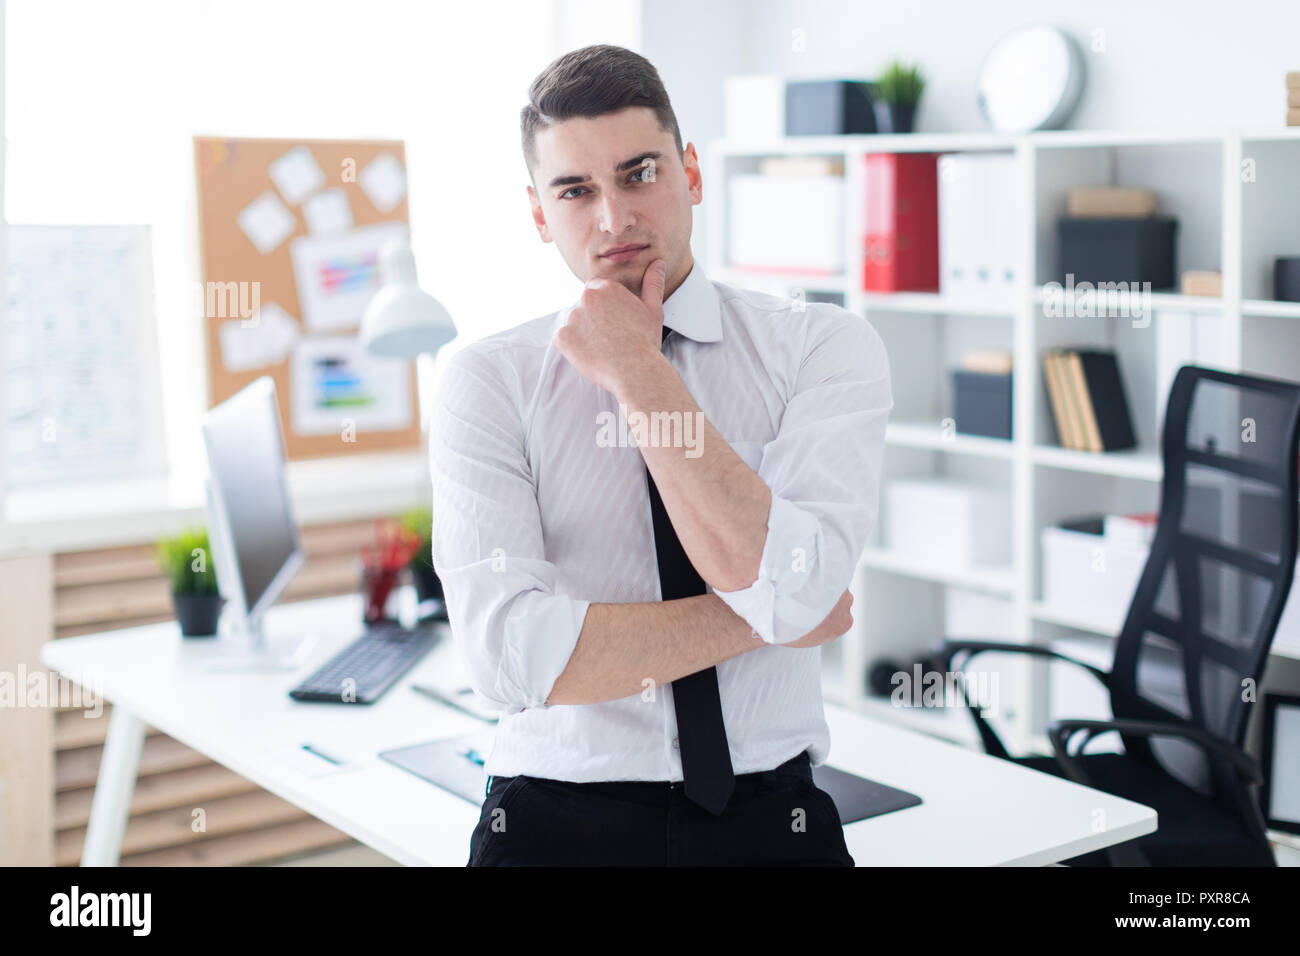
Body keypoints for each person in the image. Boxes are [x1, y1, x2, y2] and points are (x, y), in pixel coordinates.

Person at [429, 44, 892, 866]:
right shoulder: (487, 381)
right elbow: (508, 658)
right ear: (539, 215)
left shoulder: (822, 348)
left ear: (691, 174)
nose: (613, 218)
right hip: (551, 821)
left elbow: (801, 590)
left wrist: (640, 373)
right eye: (575, 190)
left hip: (771, 817)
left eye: (638, 173)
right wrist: (770, 611)